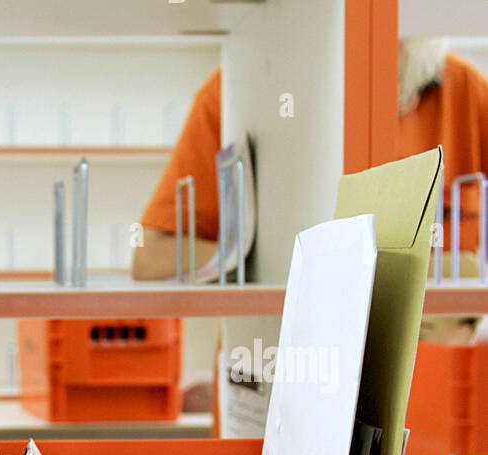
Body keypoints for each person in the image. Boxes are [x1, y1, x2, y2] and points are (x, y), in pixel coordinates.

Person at [132, 40, 488, 282]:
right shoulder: (237, 92)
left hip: (444, 378)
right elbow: (150, 258)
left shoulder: (466, 92)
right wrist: (305, 266)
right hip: (276, 367)